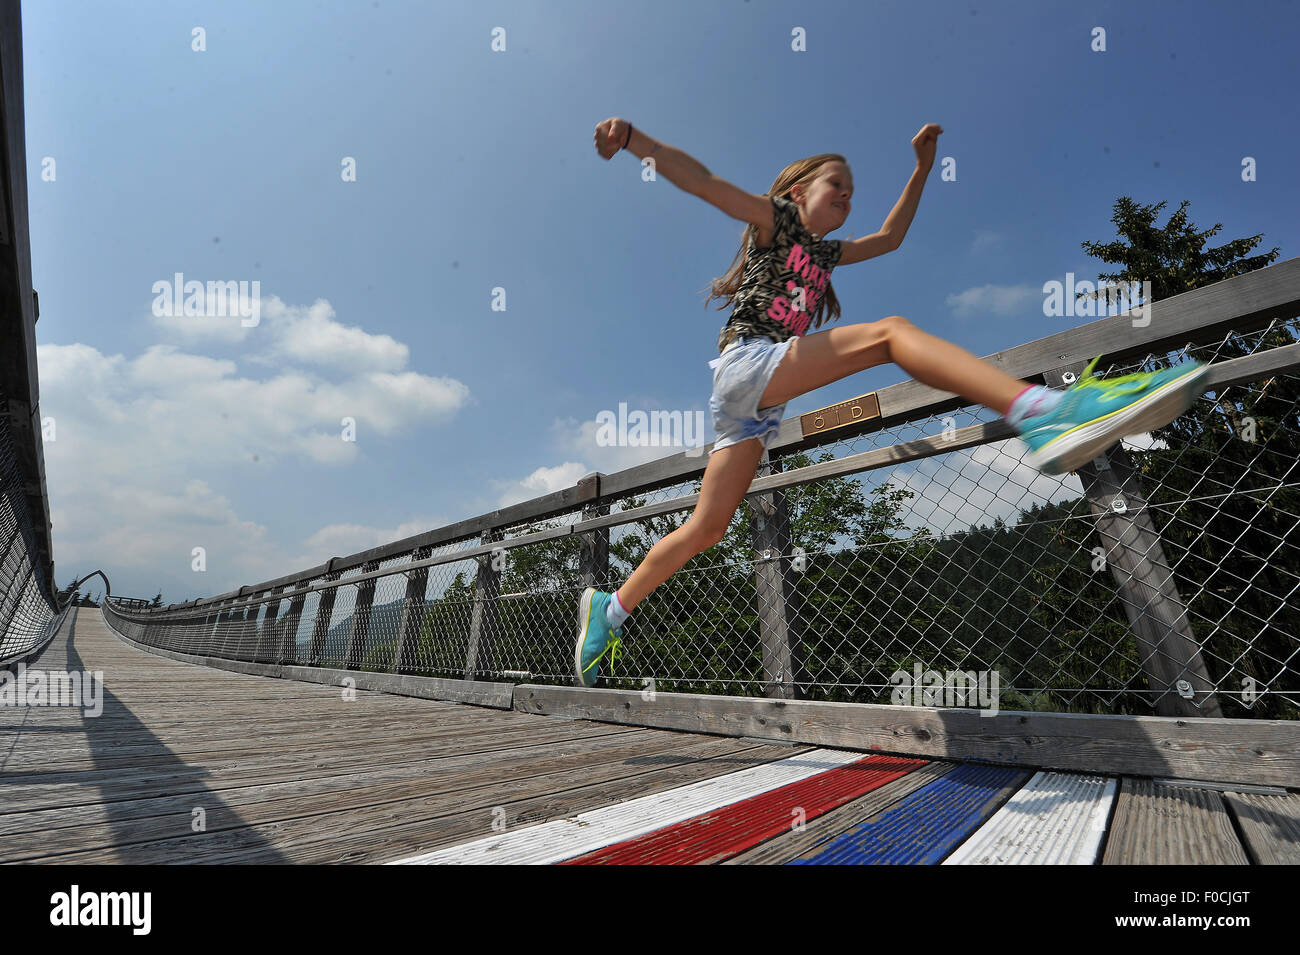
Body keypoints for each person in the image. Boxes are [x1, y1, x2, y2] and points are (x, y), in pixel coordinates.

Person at [575, 117, 1208, 688]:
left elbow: (892, 237)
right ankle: (1044, 413)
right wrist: (638, 143)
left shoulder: (827, 255)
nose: (848, 199)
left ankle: (611, 608)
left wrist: (922, 169)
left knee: (708, 528)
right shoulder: (778, 221)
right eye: (837, 188)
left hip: (750, 403)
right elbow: (706, 182)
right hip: (748, 366)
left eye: (851, 191)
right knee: (892, 334)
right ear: (797, 193)